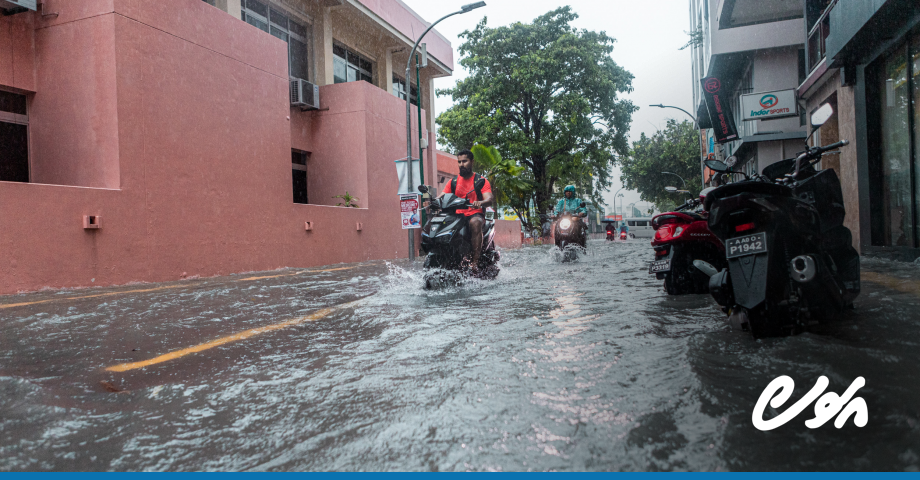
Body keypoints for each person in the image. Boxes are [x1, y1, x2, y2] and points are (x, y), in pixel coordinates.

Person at [440, 149, 493, 272]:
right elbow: (442, 196)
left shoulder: (481, 181)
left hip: (474, 214)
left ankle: (475, 262)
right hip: (457, 216)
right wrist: (431, 201)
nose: (461, 165)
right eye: (459, 162)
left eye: (464, 161)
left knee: (475, 223)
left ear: (472, 162)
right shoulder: (453, 181)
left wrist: (480, 202)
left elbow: (489, 198)